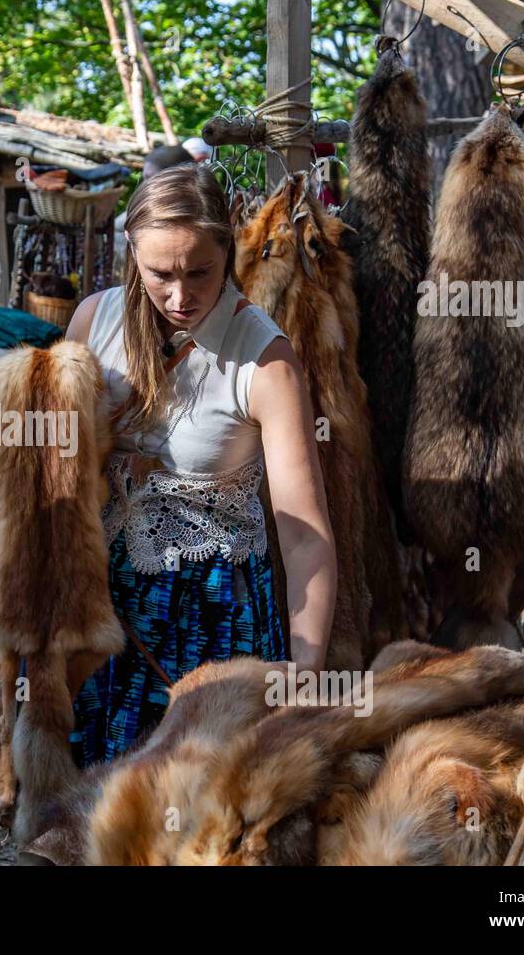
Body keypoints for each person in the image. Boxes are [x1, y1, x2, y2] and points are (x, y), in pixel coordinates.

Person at [65, 163, 335, 765]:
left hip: (213, 620)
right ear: (131, 251)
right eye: (160, 274)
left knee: (199, 813)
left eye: (200, 273)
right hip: (105, 620)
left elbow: (304, 534)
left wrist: (305, 673)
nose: (181, 297)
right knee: (100, 813)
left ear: (228, 253)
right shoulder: (93, 320)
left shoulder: (265, 359)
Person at [113, 144, 196, 281]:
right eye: (145, 177)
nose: (144, 184)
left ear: (174, 179)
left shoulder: (193, 213)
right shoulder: (148, 202)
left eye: (150, 177)